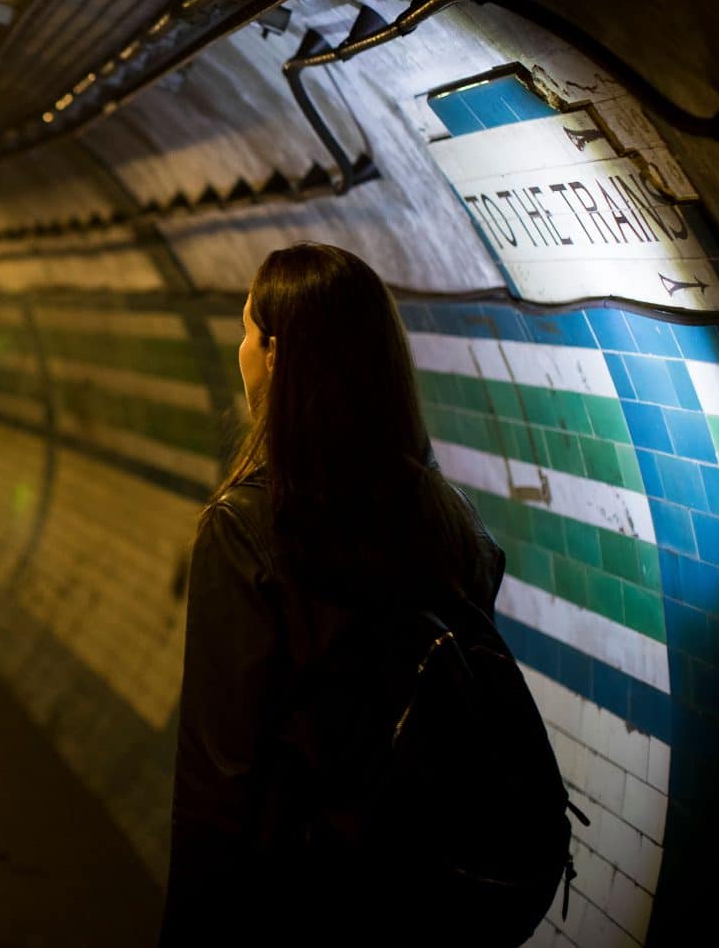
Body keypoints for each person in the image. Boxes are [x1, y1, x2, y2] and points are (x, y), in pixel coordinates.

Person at [161, 243, 506, 945]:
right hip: (424, 903)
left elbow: (220, 785)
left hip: (296, 902)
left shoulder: (247, 532)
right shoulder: (452, 522)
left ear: (277, 354)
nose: (241, 349)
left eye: (247, 331)